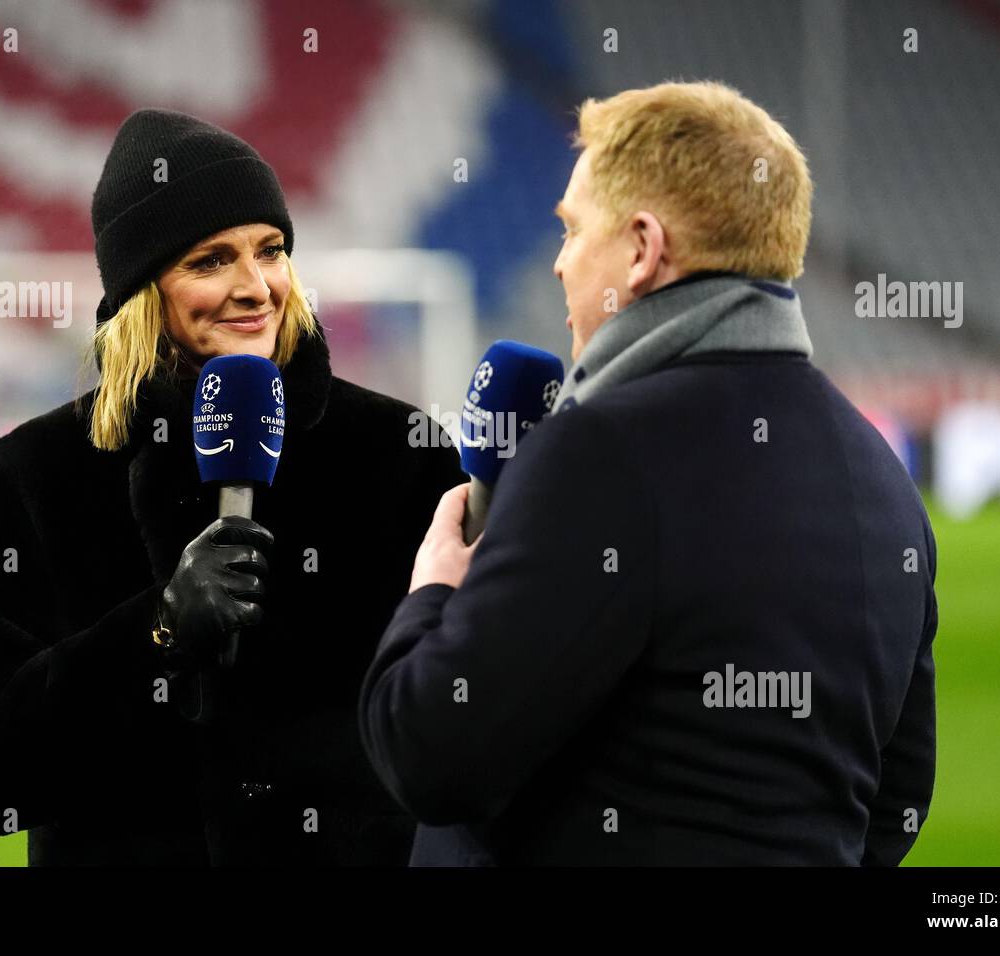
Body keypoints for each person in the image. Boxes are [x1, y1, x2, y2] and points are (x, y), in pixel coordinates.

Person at [359, 82, 938, 866]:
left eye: (571, 230)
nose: (561, 264)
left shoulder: (599, 454)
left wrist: (433, 592)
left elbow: (428, 754)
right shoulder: (879, 477)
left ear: (640, 248)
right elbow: (896, 801)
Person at [0, 108, 465, 865]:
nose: (256, 288)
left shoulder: (400, 453)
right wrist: (156, 631)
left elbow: (470, 716)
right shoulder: (37, 474)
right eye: (211, 260)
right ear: (143, 291)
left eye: (271, 251)